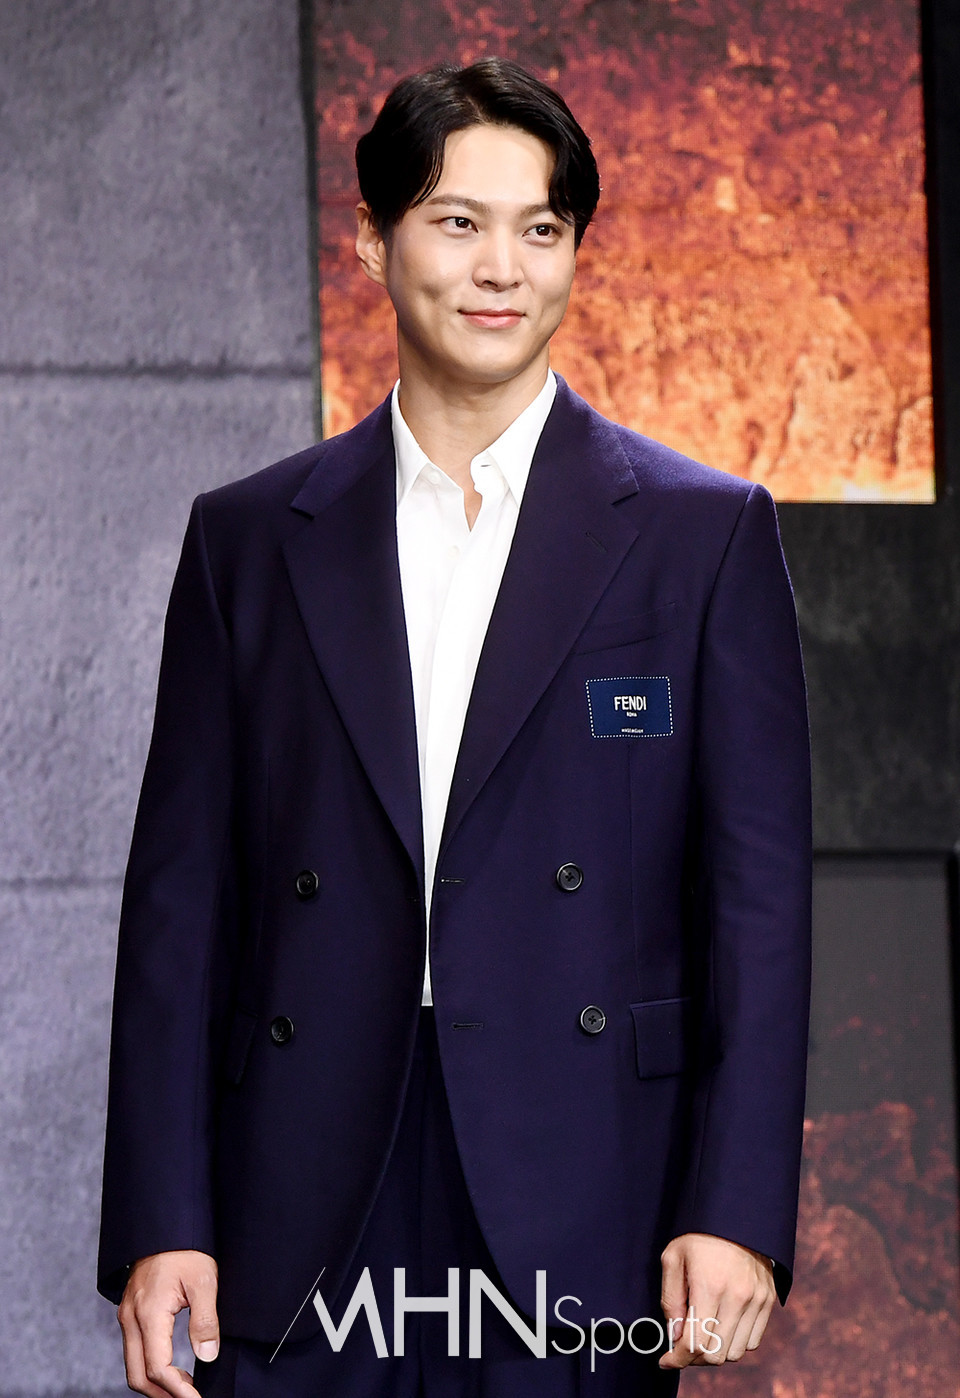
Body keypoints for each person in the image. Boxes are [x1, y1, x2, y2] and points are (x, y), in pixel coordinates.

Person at [97, 57, 812, 1398]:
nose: (502, 268)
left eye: (541, 228)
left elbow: (758, 903)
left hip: (590, 1169)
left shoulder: (702, 536)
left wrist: (737, 1207)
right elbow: (182, 903)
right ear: (374, 242)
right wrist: (159, 1214)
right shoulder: (250, 539)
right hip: (303, 1173)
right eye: (458, 221)